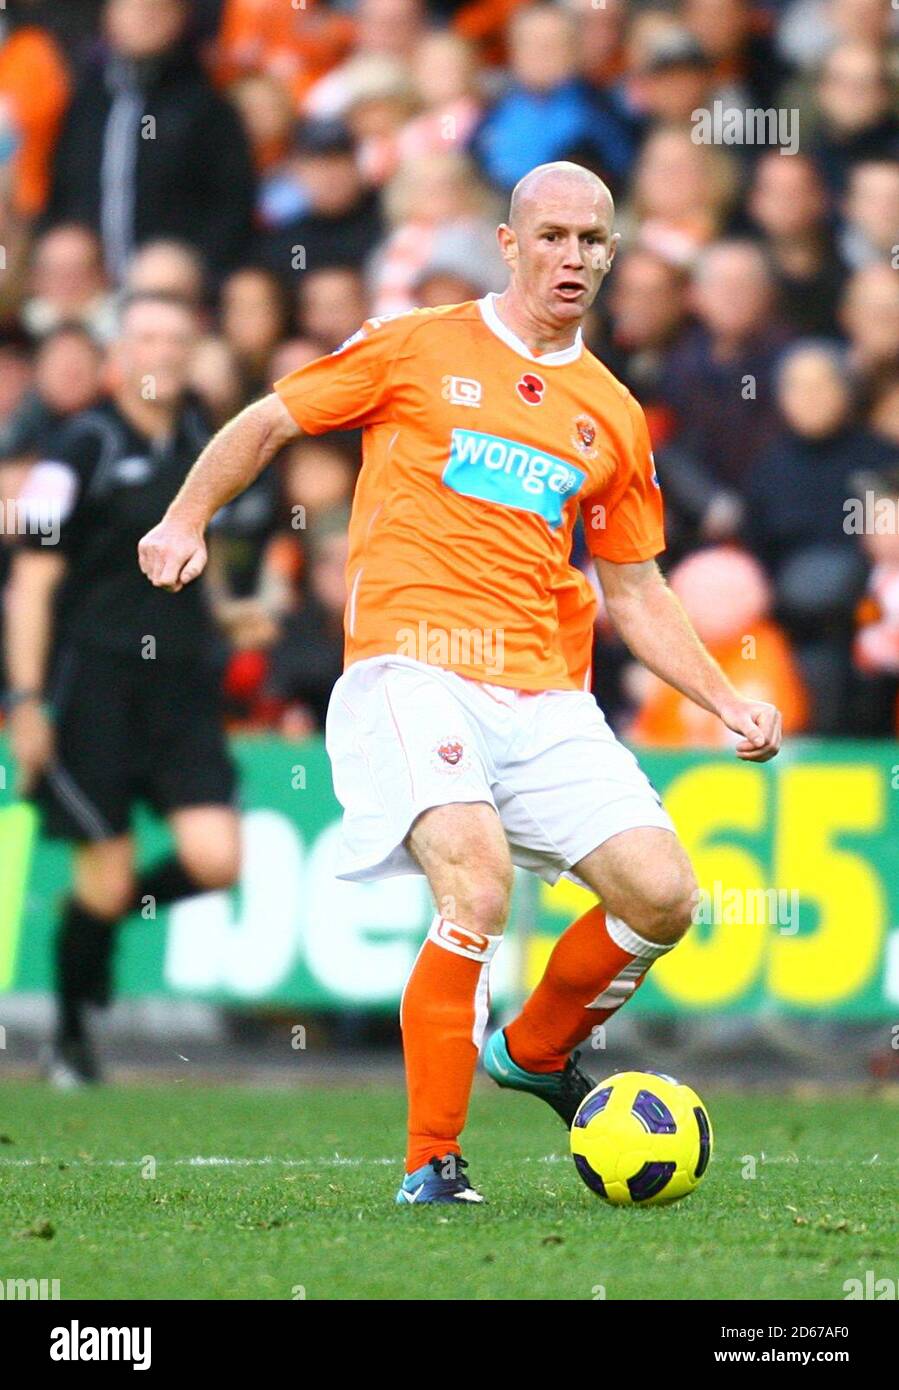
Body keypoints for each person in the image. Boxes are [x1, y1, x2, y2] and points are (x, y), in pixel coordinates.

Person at [138, 161, 781, 1205]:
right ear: (509, 243)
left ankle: (531, 1051)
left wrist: (722, 697)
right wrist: (183, 517)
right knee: (473, 883)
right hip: (410, 664)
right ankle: (431, 1161)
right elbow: (267, 421)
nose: (572, 257)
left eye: (592, 240)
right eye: (553, 236)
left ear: (610, 254)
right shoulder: (416, 345)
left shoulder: (610, 413)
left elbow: (634, 586)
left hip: (544, 691)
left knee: (661, 896)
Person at [4, 292, 241, 1087]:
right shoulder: (79, 448)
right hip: (96, 684)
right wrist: (25, 701)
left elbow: (198, 553)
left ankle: (101, 934)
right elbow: (30, 585)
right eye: (147, 337)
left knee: (216, 858)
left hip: (181, 689)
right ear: (121, 356)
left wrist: (228, 618)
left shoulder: (203, 440)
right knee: (101, 882)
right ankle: (70, 1036)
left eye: (178, 337)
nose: (164, 352)